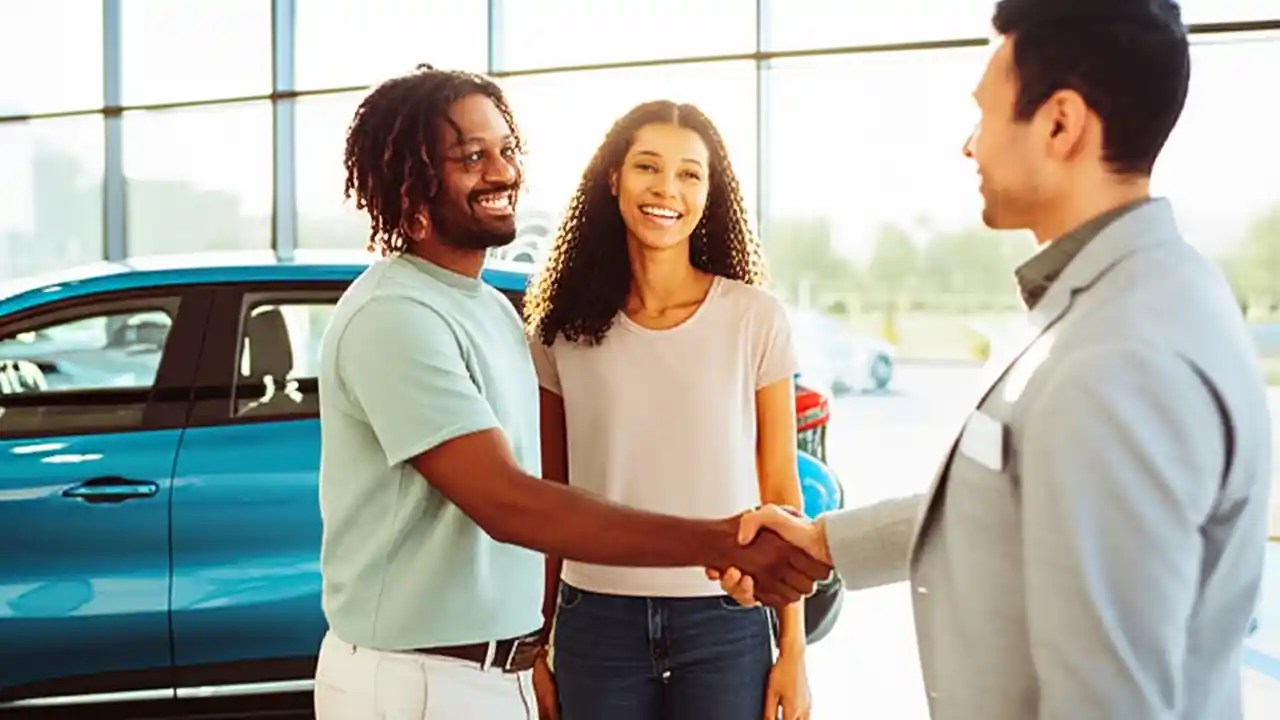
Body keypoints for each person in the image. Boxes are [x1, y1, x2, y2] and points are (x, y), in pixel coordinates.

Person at [713, 1, 1273, 718]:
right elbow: (1020, 493)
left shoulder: (1118, 360)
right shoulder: (1133, 296)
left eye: (985, 113)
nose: (970, 146)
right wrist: (824, 541)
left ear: (1061, 124)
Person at [312, 65, 831, 719]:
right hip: (424, 678)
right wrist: (721, 542)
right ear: (412, 183)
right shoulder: (398, 317)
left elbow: (543, 494)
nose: (502, 172)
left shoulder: (492, 312)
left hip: (499, 670)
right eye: (472, 156)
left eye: (507, 150)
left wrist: (791, 644)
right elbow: (516, 503)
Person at [522, 100, 811, 720]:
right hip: (594, 620)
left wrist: (793, 649)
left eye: (689, 174)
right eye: (647, 167)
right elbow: (550, 496)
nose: (667, 189)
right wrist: (538, 641)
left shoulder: (755, 319)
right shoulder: (559, 332)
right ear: (613, 180)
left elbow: (782, 493)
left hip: (726, 622)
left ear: (711, 193)